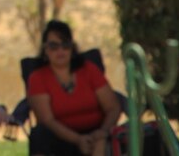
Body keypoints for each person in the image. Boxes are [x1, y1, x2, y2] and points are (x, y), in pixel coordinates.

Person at [27, 20, 121, 156]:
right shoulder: (38, 78)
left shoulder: (89, 70)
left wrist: (102, 132)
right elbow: (47, 120)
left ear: (72, 48)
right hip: (60, 137)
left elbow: (113, 107)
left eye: (65, 45)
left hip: (96, 132)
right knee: (39, 134)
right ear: (45, 49)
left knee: (104, 141)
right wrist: (78, 140)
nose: (60, 51)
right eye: (54, 46)